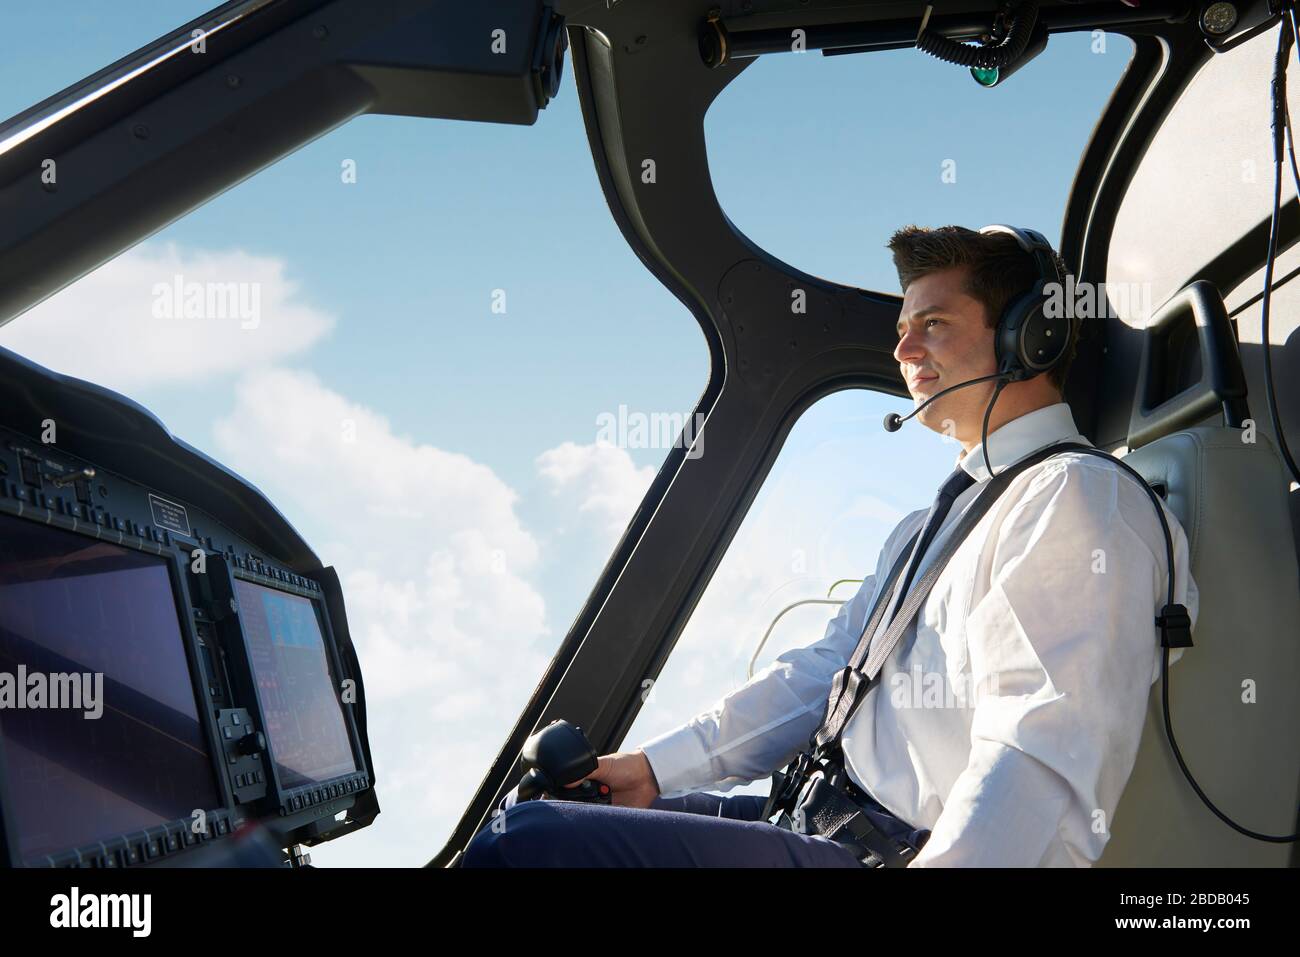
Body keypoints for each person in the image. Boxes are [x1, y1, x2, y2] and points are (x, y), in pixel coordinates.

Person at [461, 224, 1199, 867]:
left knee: (527, 850)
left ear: (1031, 335)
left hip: (891, 852)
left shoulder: (1071, 500)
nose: (904, 347)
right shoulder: (936, 522)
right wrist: (656, 768)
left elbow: (1039, 749)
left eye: (934, 322)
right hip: (816, 817)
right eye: (904, 327)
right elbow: (822, 674)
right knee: (539, 821)